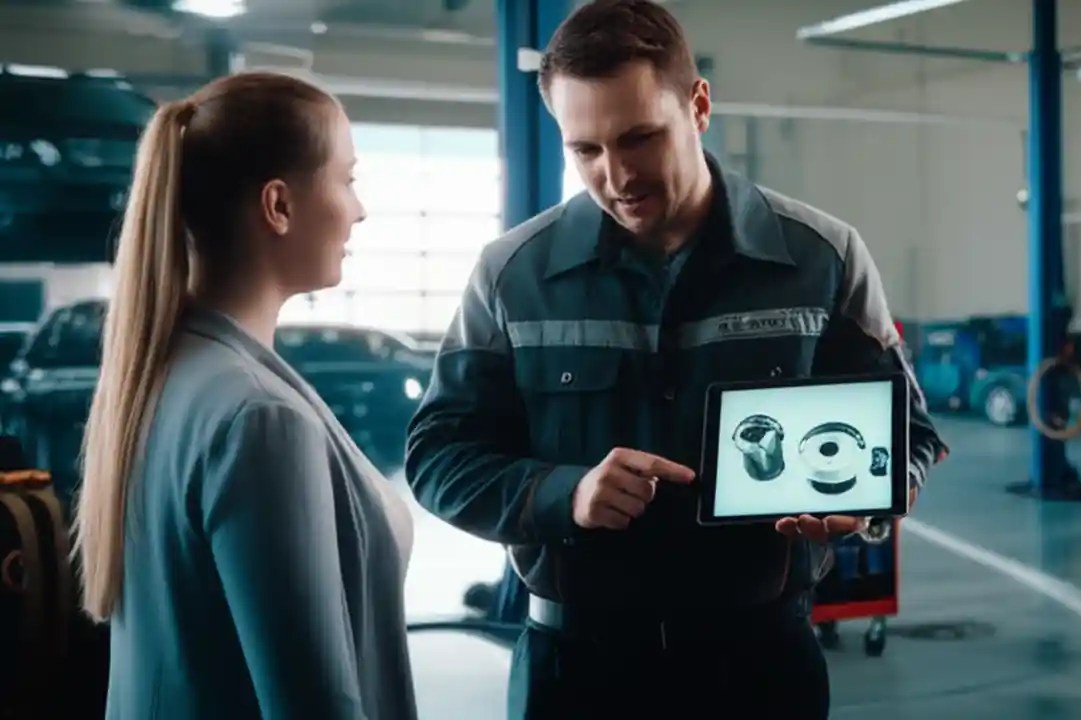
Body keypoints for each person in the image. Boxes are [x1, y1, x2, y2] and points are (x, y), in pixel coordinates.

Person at [405, 1, 947, 717]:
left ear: (698, 106)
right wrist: (566, 494)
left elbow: (908, 434)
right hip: (576, 674)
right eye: (586, 150)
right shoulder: (511, 275)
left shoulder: (823, 257)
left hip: (760, 669)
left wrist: (863, 501)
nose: (617, 176)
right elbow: (438, 458)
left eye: (640, 138)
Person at [73, 71, 418, 719]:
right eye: (347, 179)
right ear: (278, 206)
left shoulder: (168, 373)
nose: (359, 209)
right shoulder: (261, 418)